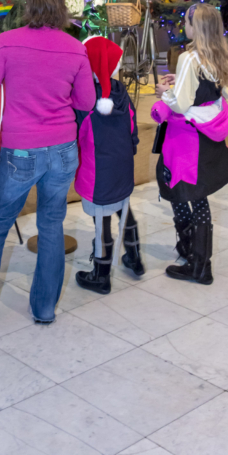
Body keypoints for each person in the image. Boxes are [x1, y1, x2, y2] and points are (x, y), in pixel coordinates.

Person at [0, 0, 95, 327]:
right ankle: (44, 308)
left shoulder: (9, 41)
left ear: (29, 3)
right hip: (64, 150)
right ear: (61, 7)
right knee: (51, 225)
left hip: (21, 149)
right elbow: (87, 101)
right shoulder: (75, 47)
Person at [152, 3, 228, 285]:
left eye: (186, 20)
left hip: (186, 138)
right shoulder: (217, 53)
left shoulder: (189, 58)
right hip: (206, 135)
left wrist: (165, 92)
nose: (183, 24)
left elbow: (181, 102)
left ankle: (194, 259)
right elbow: (208, 90)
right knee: (197, 195)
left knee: (175, 187)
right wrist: (181, 83)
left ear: (194, 26)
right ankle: (198, 259)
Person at [74, 35, 144, 295]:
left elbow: (76, 132)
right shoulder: (121, 90)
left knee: (101, 221)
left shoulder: (84, 97)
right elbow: (133, 126)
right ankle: (134, 258)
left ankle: (101, 275)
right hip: (122, 165)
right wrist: (129, 150)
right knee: (124, 210)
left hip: (97, 170)